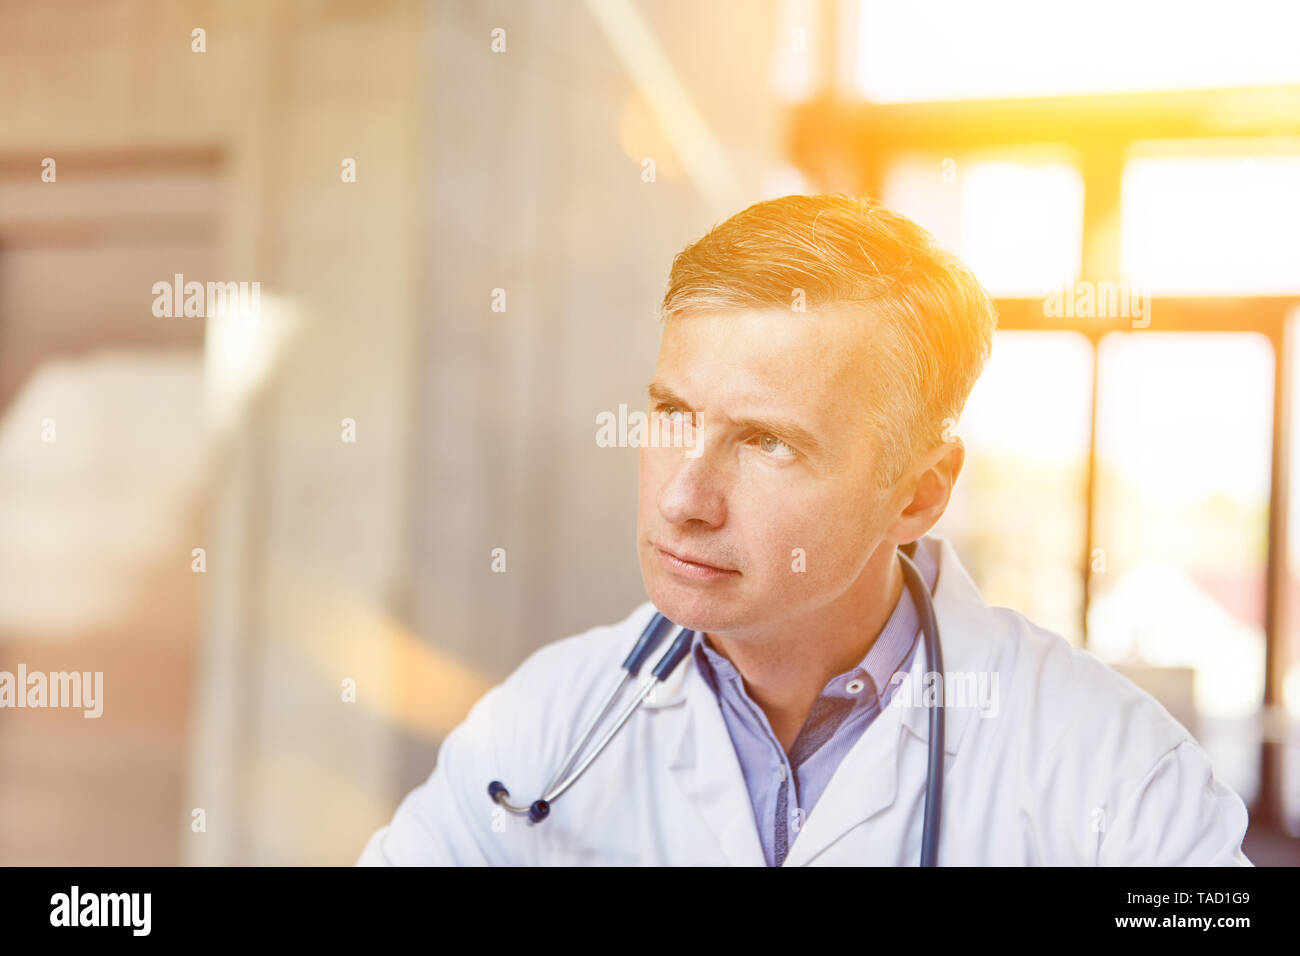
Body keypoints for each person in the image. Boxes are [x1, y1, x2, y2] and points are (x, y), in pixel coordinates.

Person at [356, 194, 1251, 866]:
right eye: (672, 413)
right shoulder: (543, 725)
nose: (684, 498)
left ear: (918, 494)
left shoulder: (1123, 778)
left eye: (766, 442)